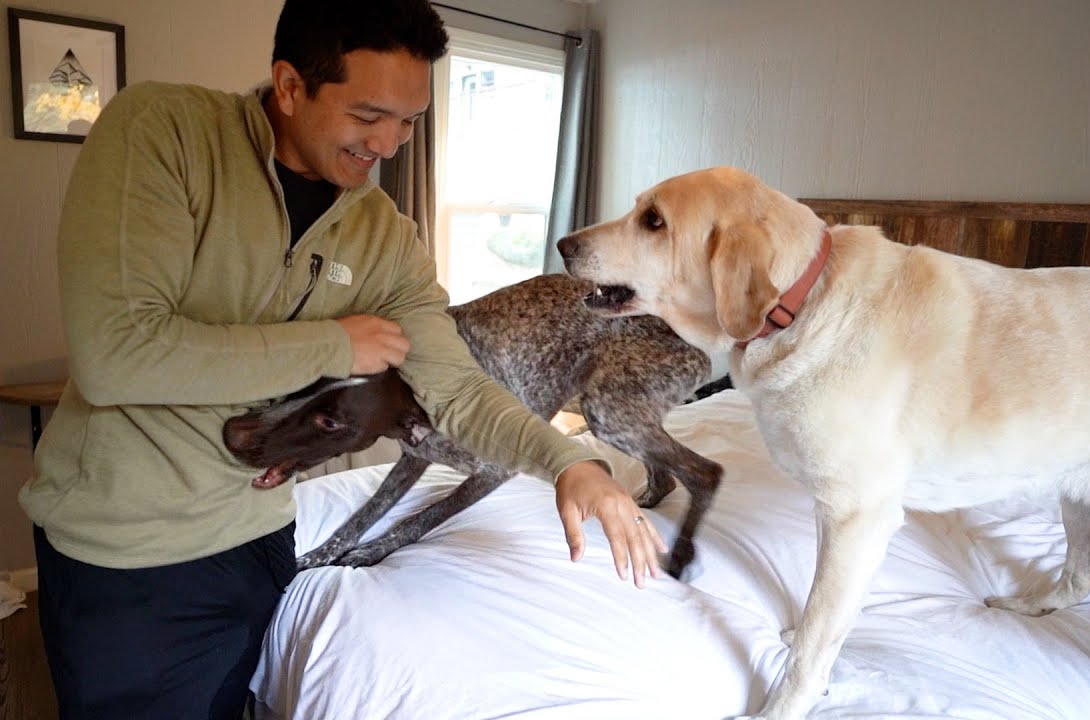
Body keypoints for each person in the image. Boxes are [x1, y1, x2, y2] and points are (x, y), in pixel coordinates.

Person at [19, 2, 666, 718]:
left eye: (409, 121)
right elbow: (118, 354)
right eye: (368, 116)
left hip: (261, 536)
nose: (388, 143)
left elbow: (455, 390)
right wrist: (336, 344)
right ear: (291, 86)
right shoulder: (166, 133)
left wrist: (570, 464)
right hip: (129, 552)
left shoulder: (383, 236)